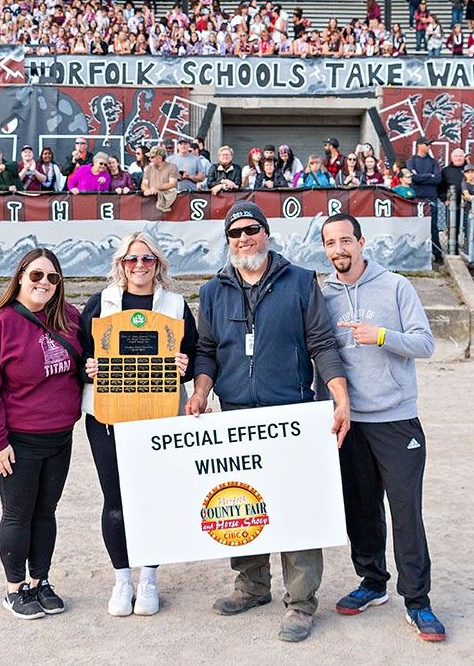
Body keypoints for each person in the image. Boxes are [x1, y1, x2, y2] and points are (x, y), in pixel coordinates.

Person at [185, 202, 351, 644]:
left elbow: (321, 342)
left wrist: (340, 399)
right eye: (235, 232)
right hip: (236, 413)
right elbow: (206, 349)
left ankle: (300, 603)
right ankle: (252, 585)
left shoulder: (300, 282)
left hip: (292, 413)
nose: (244, 238)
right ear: (228, 240)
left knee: (295, 508)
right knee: (240, 505)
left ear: (266, 233)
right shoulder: (211, 292)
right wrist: (201, 393)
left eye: (252, 229)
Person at [318, 213, 446, 642]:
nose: (339, 250)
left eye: (346, 241)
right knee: (361, 509)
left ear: (360, 242)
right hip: (350, 423)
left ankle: (418, 601)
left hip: (396, 420)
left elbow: (425, 343)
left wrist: (381, 336)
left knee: (406, 512)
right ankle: (372, 583)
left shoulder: (395, 286)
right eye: (331, 243)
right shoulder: (324, 295)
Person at [78, 232, 198, 617]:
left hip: (158, 416)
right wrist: (88, 368)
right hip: (108, 417)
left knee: (154, 498)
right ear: (121, 265)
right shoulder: (101, 303)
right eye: (132, 260)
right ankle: (122, 579)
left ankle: (148, 577)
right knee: (115, 502)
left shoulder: (177, 306)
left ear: (158, 264)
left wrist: (185, 368)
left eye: (147, 259)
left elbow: (193, 354)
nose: (140, 266)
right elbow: (81, 352)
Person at [0, 248, 83, 619]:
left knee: (46, 510)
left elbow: (91, 361)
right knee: (18, 513)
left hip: (59, 436)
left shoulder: (70, 318)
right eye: (36, 275)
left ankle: (40, 580)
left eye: (52, 278)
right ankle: (14, 588)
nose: (43, 283)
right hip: (16, 440)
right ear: (20, 276)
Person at [407, 137, 443, 265]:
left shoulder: (433, 161)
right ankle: (413, 254)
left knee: (433, 226)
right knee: (415, 227)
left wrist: (424, 178)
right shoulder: (412, 161)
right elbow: (414, 178)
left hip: (431, 198)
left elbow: (438, 178)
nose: (429, 146)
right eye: (427, 144)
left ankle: (437, 253)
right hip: (417, 199)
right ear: (419, 145)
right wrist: (429, 175)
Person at [140, 145, 179, 212]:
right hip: (150, 203)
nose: (149, 159)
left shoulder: (172, 167)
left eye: (152, 157)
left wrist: (156, 188)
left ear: (160, 158)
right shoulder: (149, 168)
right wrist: (148, 190)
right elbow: (144, 184)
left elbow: (172, 184)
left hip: (169, 204)